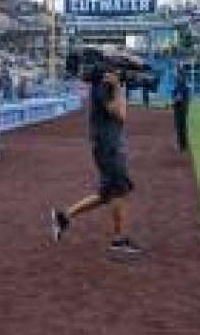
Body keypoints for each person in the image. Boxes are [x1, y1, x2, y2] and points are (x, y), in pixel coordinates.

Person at [50, 66, 144, 257]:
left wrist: (121, 84)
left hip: (107, 145)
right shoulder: (105, 86)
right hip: (108, 147)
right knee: (119, 190)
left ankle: (64, 217)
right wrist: (118, 88)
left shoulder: (104, 84)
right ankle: (118, 241)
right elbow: (120, 114)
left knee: (106, 193)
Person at [171, 65, 190, 152]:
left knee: (179, 126)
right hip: (183, 106)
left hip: (180, 107)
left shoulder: (180, 80)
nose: (174, 72)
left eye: (175, 71)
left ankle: (181, 146)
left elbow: (179, 96)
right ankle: (183, 145)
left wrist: (173, 103)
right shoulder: (182, 80)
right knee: (182, 126)